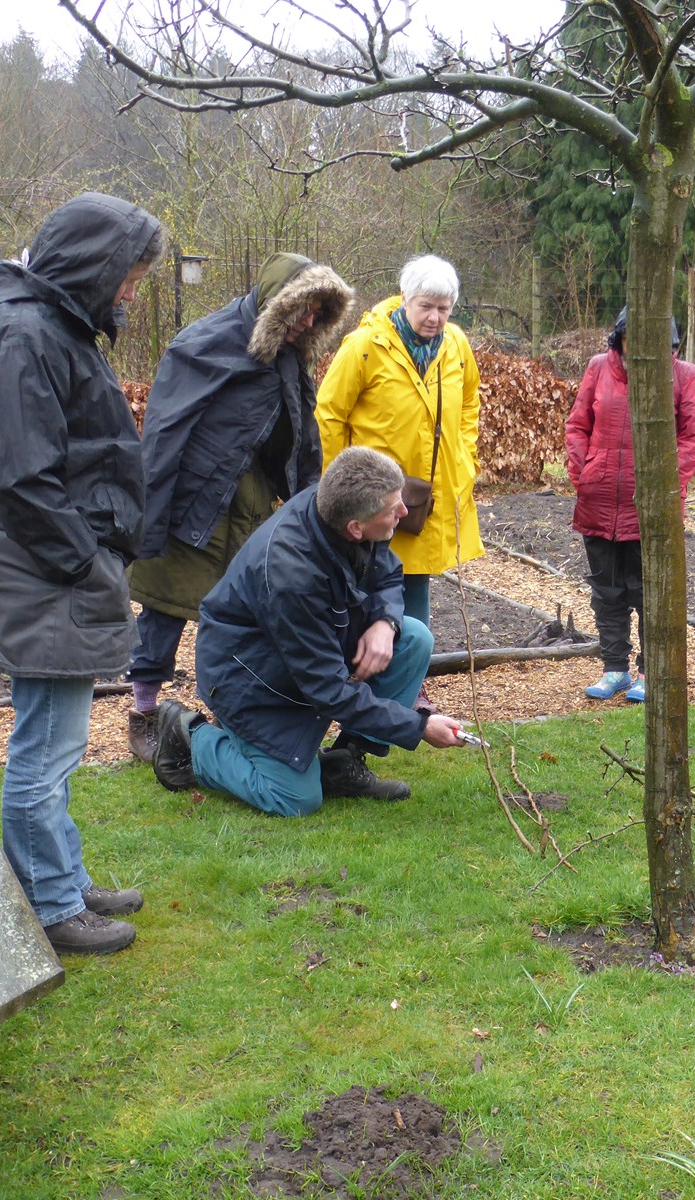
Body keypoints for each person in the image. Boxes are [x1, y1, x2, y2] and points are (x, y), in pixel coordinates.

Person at [0, 192, 164, 956]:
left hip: (58, 568)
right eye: (128, 276)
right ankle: (49, 904)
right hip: (46, 569)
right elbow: (22, 478)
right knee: (44, 747)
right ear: (93, 266)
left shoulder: (53, 327)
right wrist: (86, 561)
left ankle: (64, 877)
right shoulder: (23, 334)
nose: (131, 293)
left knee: (58, 744)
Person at [124, 253, 357, 760]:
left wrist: (314, 513)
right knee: (167, 602)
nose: (310, 322)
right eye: (304, 309)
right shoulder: (207, 344)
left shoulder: (291, 357)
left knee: (245, 612)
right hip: (194, 500)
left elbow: (304, 440)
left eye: (319, 313)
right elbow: (164, 433)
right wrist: (152, 514)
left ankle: (238, 708)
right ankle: (143, 711)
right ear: (279, 303)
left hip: (250, 503)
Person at [151, 447, 466, 815]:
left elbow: (389, 574)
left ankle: (344, 761)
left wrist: (386, 622)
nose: (404, 512)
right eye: (393, 509)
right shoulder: (291, 575)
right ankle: (190, 738)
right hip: (248, 678)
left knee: (412, 638)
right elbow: (328, 690)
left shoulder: (339, 509)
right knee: (295, 798)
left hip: (300, 655)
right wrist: (418, 726)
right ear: (356, 528)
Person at [314, 254, 484, 710]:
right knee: (367, 583)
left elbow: (470, 402)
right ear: (404, 299)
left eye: (444, 309)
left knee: (416, 583)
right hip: (374, 497)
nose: (434, 318)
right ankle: (357, 683)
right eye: (426, 306)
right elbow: (329, 413)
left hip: (428, 495)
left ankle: (411, 682)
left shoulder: (457, 346)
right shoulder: (366, 345)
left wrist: (463, 457)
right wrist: (338, 488)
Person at [566, 307, 695, 702]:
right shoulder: (598, 368)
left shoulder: (684, 377)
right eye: (633, 340)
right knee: (606, 592)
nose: (640, 349)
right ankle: (615, 670)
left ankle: (650, 672)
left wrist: (664, 489)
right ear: (620, 338)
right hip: (598, 502)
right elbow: (578, 425)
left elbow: (693, 437)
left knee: (650, 593)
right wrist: (584, 474)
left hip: (650, 511)